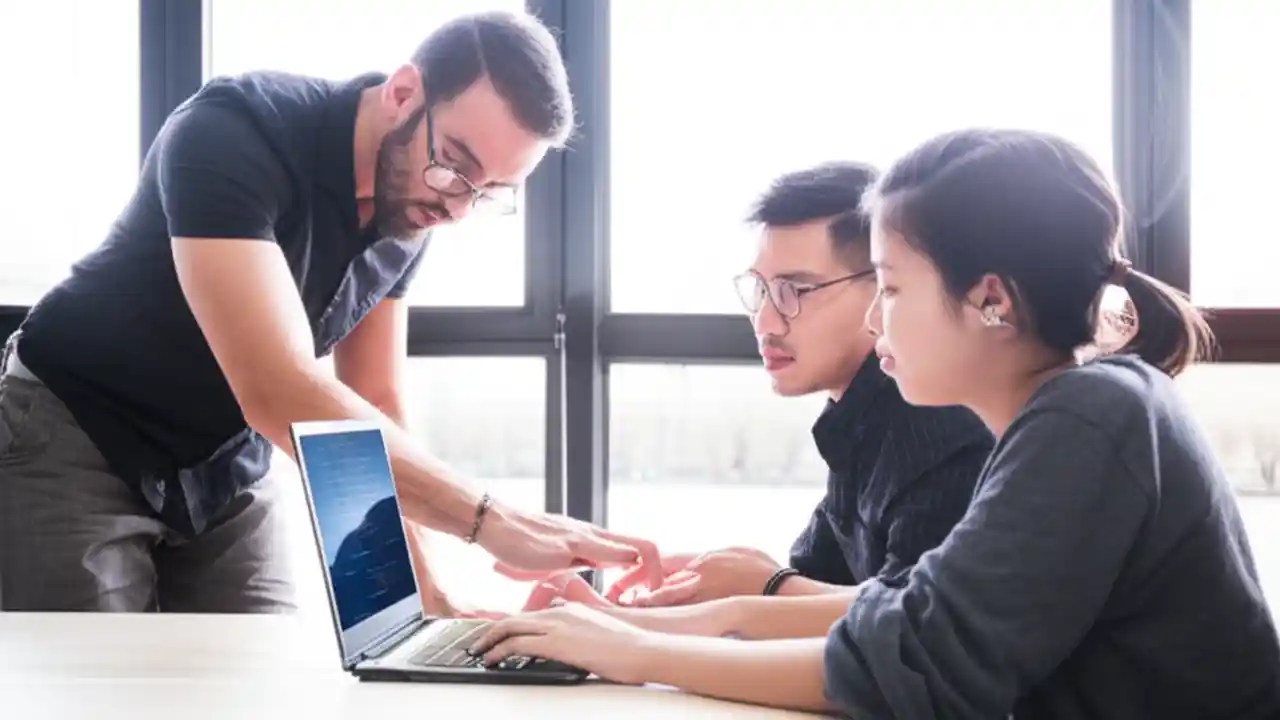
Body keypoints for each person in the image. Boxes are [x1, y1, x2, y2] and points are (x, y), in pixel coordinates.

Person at [467, 128, 1280, 719]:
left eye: (889, 289)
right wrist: (667, 620)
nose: (877, 321)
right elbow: (903, 611)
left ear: (991, 300)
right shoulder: (1075, 411)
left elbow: (915, 667)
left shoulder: (1090, 417)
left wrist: (632, 650)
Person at [0, 10, 660, 613]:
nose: (458, 205)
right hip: (78, 427)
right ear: (404, 93)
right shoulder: (234, 131)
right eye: (455, 164)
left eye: (489, 192)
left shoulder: (413, 214)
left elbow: (374, 399)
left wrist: (431, 600)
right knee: (89, 682)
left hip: (221, 462)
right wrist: (491, 521)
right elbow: (278, 388)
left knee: (262, 679)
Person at [600, 163, 992, 609]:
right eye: (761, 291)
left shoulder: (936, 420)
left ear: (884, 287)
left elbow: (910, 633)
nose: (765, 322)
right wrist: (699, 587)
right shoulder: (855, 417)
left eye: (795, 291)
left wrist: (764, 587)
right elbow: (814, 584)